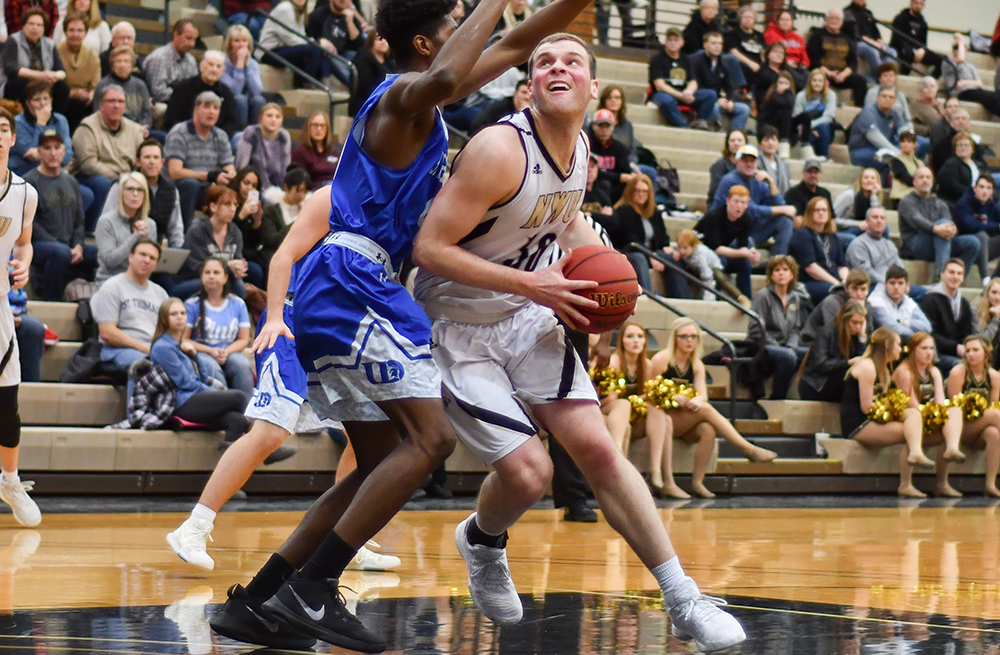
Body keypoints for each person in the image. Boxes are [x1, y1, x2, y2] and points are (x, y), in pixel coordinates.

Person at [223, 2, 612, 652]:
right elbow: (451, 72)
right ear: (430, 39)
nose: (472, 26)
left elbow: (517, 42)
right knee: (429, 440)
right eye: (458, 18)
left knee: (372, 464)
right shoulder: (403, 94)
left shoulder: (426, 103)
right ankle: (315, 589)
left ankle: (259, 599)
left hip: (349, 284)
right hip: (355, 279)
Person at [411, 32, 746, 651]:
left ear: (595, 90)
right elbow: (428, 250)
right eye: (544, 62)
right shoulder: (497, 150)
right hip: (458, 325)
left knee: (597, 449)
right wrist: (530, 284)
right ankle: (483, 541)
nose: (556, 67)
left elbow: (564, 221)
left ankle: (682, 598)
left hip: (528, 310)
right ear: (529, 86)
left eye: (572, 62)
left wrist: (611, 266)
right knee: (529, 473)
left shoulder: (582, 149)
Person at [649, 318, 777, 498]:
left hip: (684, 419)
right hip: (663, 418)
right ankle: (748, 449)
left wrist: (697, 401)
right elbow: (648, 392)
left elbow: (703, 395)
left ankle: (698, 483)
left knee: (708, 430)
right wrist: (671, 397)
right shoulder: (662, 360)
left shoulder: (696, 364)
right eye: (684, 336)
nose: (689, 341)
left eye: (693, 337)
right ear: (675, 338)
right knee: (707, 410)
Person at [0, 105, 42, 528]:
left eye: (4, 129)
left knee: (7, 404)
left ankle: (9, 481)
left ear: (13, 139)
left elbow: (25, 243)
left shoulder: (25, 193)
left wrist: (24, 262)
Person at [840, 327, 934, 496]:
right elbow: (867, 407)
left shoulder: (884, 367)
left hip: (873, 420)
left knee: (913, 414)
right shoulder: (868, 367)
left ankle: (915, 455)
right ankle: (906, 483)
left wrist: (896, 410)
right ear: (888, 345)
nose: (901, 349)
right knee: (910, 431)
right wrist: (893, 413)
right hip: (858, 424)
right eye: (898, 344)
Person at [149, 298, 250, 447]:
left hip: (194, 399)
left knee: (237, 420)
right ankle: (264, 448)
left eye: (183, 313)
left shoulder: (180, 346)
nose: (180, 317)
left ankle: (226, 462)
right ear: (164, 318)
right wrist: (212, 392)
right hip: (180, 402)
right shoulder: (163, 347)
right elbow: (185, 384)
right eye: (173, 314)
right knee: (239, 397)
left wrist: (195, 355)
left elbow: (202, 378)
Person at [607, 323, 680, 498]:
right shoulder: (614, 362)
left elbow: (648, 395)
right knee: (626, 406)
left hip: (634, 415)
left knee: (662, 413)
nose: (635, 341)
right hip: (613, 412)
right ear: (621, 341)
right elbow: (610, 398)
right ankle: (623, 480)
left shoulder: (646, 365)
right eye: (630, 336)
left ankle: (657, 472)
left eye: (640, 337)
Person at [23, 129, 96, 300]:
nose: (53, 153)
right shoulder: (28, 182)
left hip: (68, 247)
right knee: (60, 253)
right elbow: (29, 223)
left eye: (57, 147)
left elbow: (79, 221)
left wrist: (78, 245)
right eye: (47, 148)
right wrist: (61, 246)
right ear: (39, 152)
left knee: (100, 254)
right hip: (39, 246)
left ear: (64, 150)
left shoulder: (71, 181)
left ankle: (90, 301)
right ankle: (51, 301)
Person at [91, 238, 169, 398]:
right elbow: (107, 332)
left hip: (151, 349)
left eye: (152, 258)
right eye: (142, 254)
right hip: (118, 350)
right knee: (143, 365)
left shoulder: (161, 293)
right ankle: (137, 419)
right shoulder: (112, 287)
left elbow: (168, 331)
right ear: (130, 257)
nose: (147, 260)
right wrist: (144, 348)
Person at [893, 331, 965, 497]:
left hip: (926, 415)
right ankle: (905, 484)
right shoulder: (905, 372)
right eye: (924, 348)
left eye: (931, 349)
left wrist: (937, 416)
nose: (929, 353)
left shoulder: (934, 372)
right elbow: (911, 404)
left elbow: (940, 402)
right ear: (913, 350)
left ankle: (951, 453)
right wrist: (931, 416)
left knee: (954, 410)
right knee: (915, 420)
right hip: (907, 416)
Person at [71, 84, 144, 233]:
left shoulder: (134, 130)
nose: (116, 106)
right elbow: (89, 165)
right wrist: (120, 176)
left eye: (121, 102)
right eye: (111, 101)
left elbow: (140, 159)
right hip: (87, 178)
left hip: (124, 177)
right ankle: (93, 230)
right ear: (101, 104)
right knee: (103, 183)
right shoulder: (86, 128)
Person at [164, 91, 237, 229]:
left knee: (232, 188)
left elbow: (228, 165)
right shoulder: (179, 132)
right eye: (207, 107)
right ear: (195, 110)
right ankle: (186, 233)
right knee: (191, 184)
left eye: (216, 108)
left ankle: (227, 236)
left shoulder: (220, 135)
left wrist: (230, 176)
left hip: (208, 188)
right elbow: (174, 172)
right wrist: (209, 176)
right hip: (180, 188)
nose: (211, 112)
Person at [183, 257, 254, 399]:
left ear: (225, 277)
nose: (211, 276)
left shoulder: (238, 304)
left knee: (242, 364)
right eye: (207, 272)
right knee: (210, 367)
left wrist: (226, 352)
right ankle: (224, 410)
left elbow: (244, 339)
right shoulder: (191, 304)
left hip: (229, 351)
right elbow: (184, 339)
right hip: (203, 352)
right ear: (202, 277)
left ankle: (247, 415)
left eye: (216, 272)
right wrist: (211, 351)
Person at [746, 255, 811, 400]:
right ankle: (777, 398)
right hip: (761, 346)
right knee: (788, 356)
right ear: (771, 275)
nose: (781, 273)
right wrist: (782, 348)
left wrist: (791, 345)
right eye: (777, 270)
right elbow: (756, 329)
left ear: (792, 274)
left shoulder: (794, 297)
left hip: (784, 346)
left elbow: (796, 328)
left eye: (785, 269)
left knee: (810, 353)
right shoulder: (763, 296)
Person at [712, 145, 796, 255]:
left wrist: (770, 181)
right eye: (745, 161)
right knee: (747, 241)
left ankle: (778, 262)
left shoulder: (758, 180)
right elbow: (751, 210)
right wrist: (783, 209)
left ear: (757, 163)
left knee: (784, 220)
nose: (749, 164)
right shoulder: (730, 180)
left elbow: (780, 203)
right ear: (737, 162)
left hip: (749, 229)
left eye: (752, 161)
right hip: (728, 233)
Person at [101, 139, 183, 250]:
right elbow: (106, 221)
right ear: (138, 162)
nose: (152, 162)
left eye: (155, 157)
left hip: (153, 250)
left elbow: (175, 229)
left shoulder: (171, 190)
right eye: (147, 157)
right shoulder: (121, 186)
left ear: (162, 163)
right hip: (120, 246)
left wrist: (177, 250)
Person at [898, 167, 979, 277]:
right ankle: (942, 276)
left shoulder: (940, 203)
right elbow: (916, 219)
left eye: (928, 177)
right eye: (921, 177)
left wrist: (952, 230)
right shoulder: (906, 201)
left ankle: (958, 279)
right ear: (914, 182)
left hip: (941, 242)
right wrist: (936, 229)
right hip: (916, 244)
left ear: (932, 182)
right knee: (941, 229)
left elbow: (948, 223)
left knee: (973, 242)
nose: (925, 180)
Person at [174, 185, 252, 299]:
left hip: (223, 279)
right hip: (194, 280)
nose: (233, 209)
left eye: (235, 205)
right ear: (213, 206)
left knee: (239, 285)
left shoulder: (235, 232)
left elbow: (237, 258)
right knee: (214, 283)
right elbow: (196, 267)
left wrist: (239, 268)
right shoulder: (197, 230)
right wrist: (226, 266)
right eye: (227, 204)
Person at [946, 334, 1000, 497]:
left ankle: (990, 484)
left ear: (986, 353)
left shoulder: (994, 376)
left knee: (993, 433)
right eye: (967, 350)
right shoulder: (958, 372)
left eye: (975, 350)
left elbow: (993, 404)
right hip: (960, 429)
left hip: (980, 429)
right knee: (996, 415)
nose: (970, 354)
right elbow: (953, 408)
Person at [693, 184, 760, 299]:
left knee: (744, 263)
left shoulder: (746, 219)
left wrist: (752, 253)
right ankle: (717, 298)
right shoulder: (714, 216)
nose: (739, 206)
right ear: (728, 201)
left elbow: (743, 245)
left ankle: (746, 300)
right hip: (700, 253)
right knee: (720, 261)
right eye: (736, 201)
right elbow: (716, 248)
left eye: (743, 203)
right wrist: (744, 253)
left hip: (721, 252)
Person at [602, 174, 664, 290]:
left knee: (670, 257)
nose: (641, 195)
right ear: (631, 191)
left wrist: (666, 247)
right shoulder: (625, 210)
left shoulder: (654, 213)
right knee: (639, 258)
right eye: (637, 191)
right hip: (629, 251)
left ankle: (682, 296)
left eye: (645, 191)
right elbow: (630, 239)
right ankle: (647, 293)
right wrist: (650, 255)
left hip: (649, 251)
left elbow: (663, 236)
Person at [95, 172, 157, 285]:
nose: (135, 194)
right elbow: (110, 261)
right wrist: (136, 237)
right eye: (130, 189)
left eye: (140, 190)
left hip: (140, 282)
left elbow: (149, 264)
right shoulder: (106, 222)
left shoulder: (150, 225)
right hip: (110, 281)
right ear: (121, 193)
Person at [164, 51, 243, 139]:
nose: (214, 69)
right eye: (210, 65)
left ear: (222, 71)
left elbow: (232, 121)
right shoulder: (184, 88)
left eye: (218, 66)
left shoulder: (226, 93)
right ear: (201, 66)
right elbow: (172, 119)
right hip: (187, 137)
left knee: (239, 137)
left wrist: (218, 137)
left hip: (217, 139)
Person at [800, 299, 868, 401]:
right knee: (850, 374)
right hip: (816, 384)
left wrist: (862, 338)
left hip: (833, 381)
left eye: (861, 323)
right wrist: (848, 362)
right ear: (845, 320)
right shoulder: (826, 332)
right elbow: (819, 364)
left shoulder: (856, 337)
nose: (858, 327)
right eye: (854, 322)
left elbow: (861, 359)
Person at [2, 8, 69, 111]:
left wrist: (53, 75)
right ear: (23, 25)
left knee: (63, 87)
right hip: (22, 82)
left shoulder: (49, 44)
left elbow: (62, 71)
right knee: (18, 83)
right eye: (31, 24)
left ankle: (54, 119)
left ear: (43, 28)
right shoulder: (13, 40)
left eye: (39, 25)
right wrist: (39, 75)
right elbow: (11, 68)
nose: (35, 28)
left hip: (44, 83)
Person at [647, 26, 713, 129]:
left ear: (682, 42)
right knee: (666, 101)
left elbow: (693, 81)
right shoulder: (657, 59)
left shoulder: (686, 59)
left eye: (676, 40)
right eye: (670, 40)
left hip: (683, 93)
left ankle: (700, 123)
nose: (672, 43)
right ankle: (683, 127)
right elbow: (659, 85)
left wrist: (689, 91)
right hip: (666, 93)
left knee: (710, 95)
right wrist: (679, 95)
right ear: (665, 42)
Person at [920, 259, 975, 376]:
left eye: (959, 273)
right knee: (961, 366)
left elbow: (968, 333)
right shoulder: (930, 300)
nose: (955, 277)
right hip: (937, 354)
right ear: (942, 275)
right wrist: (956, 348)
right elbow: (930, 335)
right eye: (951, 272)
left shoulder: (964, 303)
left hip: (959, 353)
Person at [789, 197, 847, 305]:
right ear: (809, 213)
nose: (821, 213)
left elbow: (841, 266)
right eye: (817, 210)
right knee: (838, 293)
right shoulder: (802, 233)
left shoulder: (832, 236)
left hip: (832, 282)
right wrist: (836, 284)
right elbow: (811, 268)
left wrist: (846, 281)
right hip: (809, 282)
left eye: (824, 210)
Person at [805, 8, 868, 108]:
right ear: (826, 20)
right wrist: (828, 73)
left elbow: (852, 61)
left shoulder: (847, 39)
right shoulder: (817, 36)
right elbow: (813, 59)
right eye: (831, 18)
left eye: (837, 19)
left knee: (861, 81)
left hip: (841, 76)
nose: (834, 21)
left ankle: (858, 109)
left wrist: (844, 74)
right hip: (822, 74)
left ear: (842, 22)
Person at [663, 229, 747, 304]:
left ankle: (740, 297)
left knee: (719, 278)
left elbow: (707, 276)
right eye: (679, 247)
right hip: (694, 267)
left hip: (712, 266)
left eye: (685, 248)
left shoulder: (700, 255)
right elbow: (674, 248)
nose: (681, 251)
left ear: (694, 246)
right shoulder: (682, 251)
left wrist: (708, 300)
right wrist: (673, 251)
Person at [258, 0, 330, 87]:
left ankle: (325, 82)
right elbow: (290, 39)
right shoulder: (285, 8)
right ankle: (307, 85)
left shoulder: (299, 10)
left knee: (323, 52)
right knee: (313, 51)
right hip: (269, 51)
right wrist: (317, 43)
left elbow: (302, 35)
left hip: (285, 47)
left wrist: (317, 44)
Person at [689, 31, 750, 131]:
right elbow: (697, 86)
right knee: (714, 107)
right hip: (704, 100)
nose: (717, 46)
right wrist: (717, 100)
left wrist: (730, 100)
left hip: (719, 100)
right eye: (713, 43)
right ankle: (718, 132)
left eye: (720, 43)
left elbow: (729, 87)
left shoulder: (723, 64)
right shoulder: (696, 62)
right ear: (705, 45)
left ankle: (736, 134)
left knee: (744, 109)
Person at [10, 80, 72, 176]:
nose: (42, 103)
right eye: (37, 100)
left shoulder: (60, 120)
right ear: (28, 103)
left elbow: (68, 154)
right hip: (25, 172)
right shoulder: (18, 123)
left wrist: (49, 158)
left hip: (56, 171)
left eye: (45, 98)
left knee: (85, 191)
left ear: (51, 100)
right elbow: (31, 156)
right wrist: (41, 123)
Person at [800, 268, 873, 346]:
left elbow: (869, 336)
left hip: (844, 348)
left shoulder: (867, 305)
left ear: (868, 290)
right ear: (846, 288)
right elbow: (834, 336)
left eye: (863, 289)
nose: (859, 293)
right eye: (854, 288)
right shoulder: (833, 302)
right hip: (812, 344)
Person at [94, 45, 153, 136]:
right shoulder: (102, 85)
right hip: (112, 131)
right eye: (118, 61)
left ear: (132, 66)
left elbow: (146, 114)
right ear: (112, 65)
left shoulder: (140, 85)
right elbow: (98, 112)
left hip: (140, 131)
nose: (122, 65)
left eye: (126, 61)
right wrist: (133, 128)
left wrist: (144, 128)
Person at [306, 0, 366, 89]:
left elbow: (360, 44)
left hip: (345, 54)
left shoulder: (350, 17)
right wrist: (320, 41)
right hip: (327, 55)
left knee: (364, 56)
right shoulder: (319, 15)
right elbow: (308, 37)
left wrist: (350, 22)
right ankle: (358, 88)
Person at [848, 85, 903, 181]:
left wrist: (908, 149)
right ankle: (884, 189)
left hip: (882, 150)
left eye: (891, 97)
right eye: (884, 96)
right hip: (861, 151)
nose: (887, 99)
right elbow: (874, 137)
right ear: (878, 97)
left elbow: (904, 130)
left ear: (894, 101)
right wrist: (897, 153)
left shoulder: (894, 114)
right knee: (890, 160)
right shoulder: (868, 112)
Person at [55, 11, 99, 131]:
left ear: (86, 32)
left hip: (85, 102)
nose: (75, 34)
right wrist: (74, 93)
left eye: (80, 30)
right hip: (61, 100)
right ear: (65, 32)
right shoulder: (55, 52)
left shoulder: (93, 56)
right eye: (71, 30)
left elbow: (95, 86)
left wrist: (90, 95)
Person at [142, 19, 199, 108]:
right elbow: (158, 92)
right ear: (176, 35)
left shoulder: (191, 60)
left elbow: (195, 87)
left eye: (194, 39)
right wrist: (183, 97)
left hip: (183, 104)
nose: (192, 44)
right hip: (159, 104)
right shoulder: (159, 58)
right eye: (188, 38)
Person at [954, 175, 1000, 285]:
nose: (985, 191)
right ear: (975, 189)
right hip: (964, 248)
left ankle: (995, 280)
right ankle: (985, 277)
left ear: (992, 191)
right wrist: (995, 226)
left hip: (984, 250)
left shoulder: (991, 205)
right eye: (982, 187)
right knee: (981, 235)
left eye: (988, 188)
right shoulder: (964, 203)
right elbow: (969, 225)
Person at [235, 103, 291, 192]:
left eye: (277, 117)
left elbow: (285, 169)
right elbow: (242, 166)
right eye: (269, 116)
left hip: (278, 185)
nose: (273, 120)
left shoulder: (284, 136)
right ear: (261, 118)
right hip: (254, 185)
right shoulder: (251, 133)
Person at [942, 34, 1000, 119]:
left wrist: (965, 82)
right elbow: (960, 59)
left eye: (959, 47)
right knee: (990, 98)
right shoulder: (947, 62)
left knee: (996, 96)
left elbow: (979, 83)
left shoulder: (969, 65)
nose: (957, 50)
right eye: (955, 47)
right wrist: (961, 41)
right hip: (961, 92)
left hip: (974, 89)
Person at [867, 265, 932, 340]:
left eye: (900, 283)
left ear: (907, 285)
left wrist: (904, 322)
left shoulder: (908, 301)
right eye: (892, 283)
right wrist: (917, 337)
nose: (896, 287)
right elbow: (892, 328)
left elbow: (927, 327)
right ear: (885, 284)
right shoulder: (876, 300)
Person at [221, 25, 266, 129]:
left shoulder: (253, 64)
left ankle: (256, 132)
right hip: (227, 101)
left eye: (244, 41)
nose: (241, 44)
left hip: (247, 101)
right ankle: (240, 131)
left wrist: (247, 66)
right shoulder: (222, 62)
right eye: (236, 41)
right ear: (229, 44)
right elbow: (234, 91)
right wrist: (240, 65)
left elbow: (257, 91)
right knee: (240, 99)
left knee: (258, 100)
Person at [228, 166, 267, 284]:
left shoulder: (254, 207)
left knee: (267, 261)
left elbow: (255, 244)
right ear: (238, 183)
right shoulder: (229, 202)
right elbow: (228, 236)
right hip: (229, 252)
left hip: (245, 253)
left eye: (254, 186)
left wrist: (256, 223)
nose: (250, 188)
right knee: (256, 269)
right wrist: (241, 216)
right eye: (246, 183)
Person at [846, 207, 902, 286]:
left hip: (893, 287)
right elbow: (865, 274)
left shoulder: (890, 245)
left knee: (923, 292)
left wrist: (903, 284)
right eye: (875, 217)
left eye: (882, 218)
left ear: (886, 223)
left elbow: (900, 269)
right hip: (870, 288)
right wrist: (888, 284)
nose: (879, 221)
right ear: (867, 222)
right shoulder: (858, 244)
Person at [842, 0, 896, 82]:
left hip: (872, 43)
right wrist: (874, 44)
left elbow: (876, 32)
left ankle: (872, 77)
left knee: (892, 52)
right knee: (872, 50)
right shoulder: (847, 13)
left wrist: (880, 42)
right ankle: (882, 77)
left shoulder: (868, 13)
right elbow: (857, 35)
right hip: (856, 44)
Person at [588, 108, 634, 203]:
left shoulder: (619, 148)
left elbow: (626, 172)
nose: (604, 130)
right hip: (591, 184)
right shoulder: (587, 144)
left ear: (613, 127)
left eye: (607, 126)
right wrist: (618, 177)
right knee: (604, 184)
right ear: (593, 126)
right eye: (600, 125)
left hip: (614, 188)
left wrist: (621, 177)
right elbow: (589, 173)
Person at [890, 0, 944, 78]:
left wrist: (922, 50)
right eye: (916, 3)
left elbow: (924, 42)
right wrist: (912, 50)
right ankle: (904, 78)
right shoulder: (900, 18)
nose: (918, 6)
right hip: (903, 49)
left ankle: (932, 79)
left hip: (918, 51)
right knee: (907, 54)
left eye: (920, 4)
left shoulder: (923, 22)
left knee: (942, 59)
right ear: (911, 3)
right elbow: (896, 39)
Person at [792, 68, 836, 159]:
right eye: (814, 80)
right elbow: (797, 116)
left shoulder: (831, 95)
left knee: (823, 129)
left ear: (824, 83)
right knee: (811, 136)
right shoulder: (801, 96)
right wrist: (808, 129)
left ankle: (824, 157)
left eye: (820, 81)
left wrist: (810, 126)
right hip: (804, 129)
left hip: (824, 127)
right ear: (809, 82)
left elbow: (828, 117)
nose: (817, 83)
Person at [937, 131, 991, 206]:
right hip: (961, 201)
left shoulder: (979, 164)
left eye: (966, 145)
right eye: (959, 145)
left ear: (972, 149)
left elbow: (989, 181)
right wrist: (975, 193)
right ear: (955, 149)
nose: (963, 148)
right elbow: (953, 186)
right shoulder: (952, 164)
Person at [290, 110, 340, 190]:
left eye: (322, 125)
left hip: (334, 191)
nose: (319, 129)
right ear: (308, 128)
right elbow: (301, 182)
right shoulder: (300, 152)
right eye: (315, 125)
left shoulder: (335, 152)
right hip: (313, 193)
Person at [349, 31, 395, 117]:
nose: (383, 42)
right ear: (371, 41)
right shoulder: (362, 59)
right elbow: (365, 86)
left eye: (386, 39)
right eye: (379, 39)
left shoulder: (390, 63)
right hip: (367, 103)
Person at [833, 167, 882, 246]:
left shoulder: (874, 198)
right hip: (842, 231)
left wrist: (873, 196)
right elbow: (832, 219)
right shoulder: (849, 195)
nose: (869, 180)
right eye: (866, 177)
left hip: (862, 229)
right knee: (854, 240)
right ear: (860, 181)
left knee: (883, 227)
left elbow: (876, 218)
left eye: (873, 178)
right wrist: (857, 224)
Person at [763, 9, 809, 90]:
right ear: (778, 21)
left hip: (798, 66)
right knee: (800, 81)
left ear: (792, 22)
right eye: (782, 20)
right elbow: (775, 53)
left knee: (809, 75)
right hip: (782, 65)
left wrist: (804, 63)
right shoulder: (771, 34)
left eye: (788, 20)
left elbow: (804, 54)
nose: (785, 22)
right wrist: (786, 61)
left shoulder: (798, 38)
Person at [725, 6, 765, 89]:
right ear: (740, 18)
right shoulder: (733, 34)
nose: (748, 20)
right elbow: (733, 51)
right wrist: (751, 63)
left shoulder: (759, 35)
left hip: (758, 64)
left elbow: (764, 51)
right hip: (743, 63)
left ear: (754, 20)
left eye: (750, 17)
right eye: (745, 17)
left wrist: (764, 63)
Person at [756, 73, 796, 151]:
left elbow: (790, 104)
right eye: (780, 83)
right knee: (786, 111)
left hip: (780, 125)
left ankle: (785, 140)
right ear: (776, 84)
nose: (783, 86)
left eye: (786, 83)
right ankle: (784, 139)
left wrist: (787, 92)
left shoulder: (790, 95)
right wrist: (788, 92)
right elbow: (786, 104)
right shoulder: (772, 95)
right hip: (767, 124)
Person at [706, 128, 744, 204]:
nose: (736, 143)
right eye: (732, 141)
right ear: (727, 144)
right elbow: (716, 191)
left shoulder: (751, 165)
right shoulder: (719, 165)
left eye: (739, 140)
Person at [752, 41, 788, 111]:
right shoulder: (762, 71)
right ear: (768, 54)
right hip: (768, 106)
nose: (779, 55)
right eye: (775, 51)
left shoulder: (786, 71)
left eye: (782, 53)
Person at [887, 130, 921, 205]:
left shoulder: (919, 163)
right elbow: (907, 179)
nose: (906, 144)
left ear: (915, 144)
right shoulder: (896, 161)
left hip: (916, 197)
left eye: (909, 142)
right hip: (900, 197)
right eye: (903, 141)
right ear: (900, 144)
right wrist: (921, 182)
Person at [755, 125, 790, 195]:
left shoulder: (784, 164)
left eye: (773, 139)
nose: (770, 143)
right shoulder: (756, 162)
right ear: (760, 144)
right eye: (766, 140)